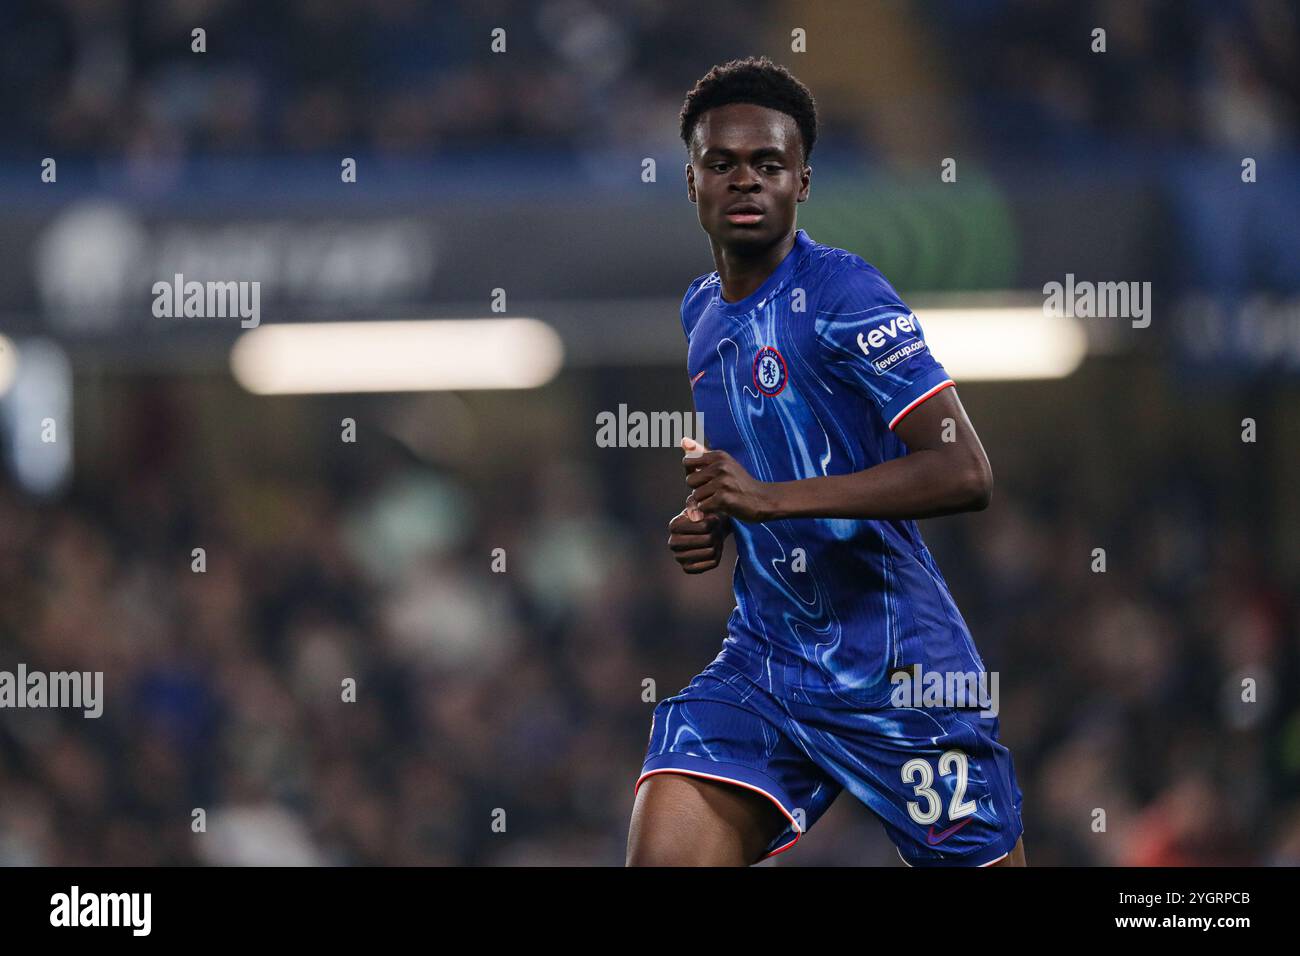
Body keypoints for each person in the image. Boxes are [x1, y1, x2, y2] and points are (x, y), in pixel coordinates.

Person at [626, 56, 1025, 867]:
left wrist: (768, 501)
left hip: (898, 673)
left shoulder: (847, 293)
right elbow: (759, 467)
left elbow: (964, 471)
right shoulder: (701, 310)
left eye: (769, 164)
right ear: (690, 182)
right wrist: (717, 523)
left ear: (802, 182)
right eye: (723, 163)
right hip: (767, 661)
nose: (747, 181)